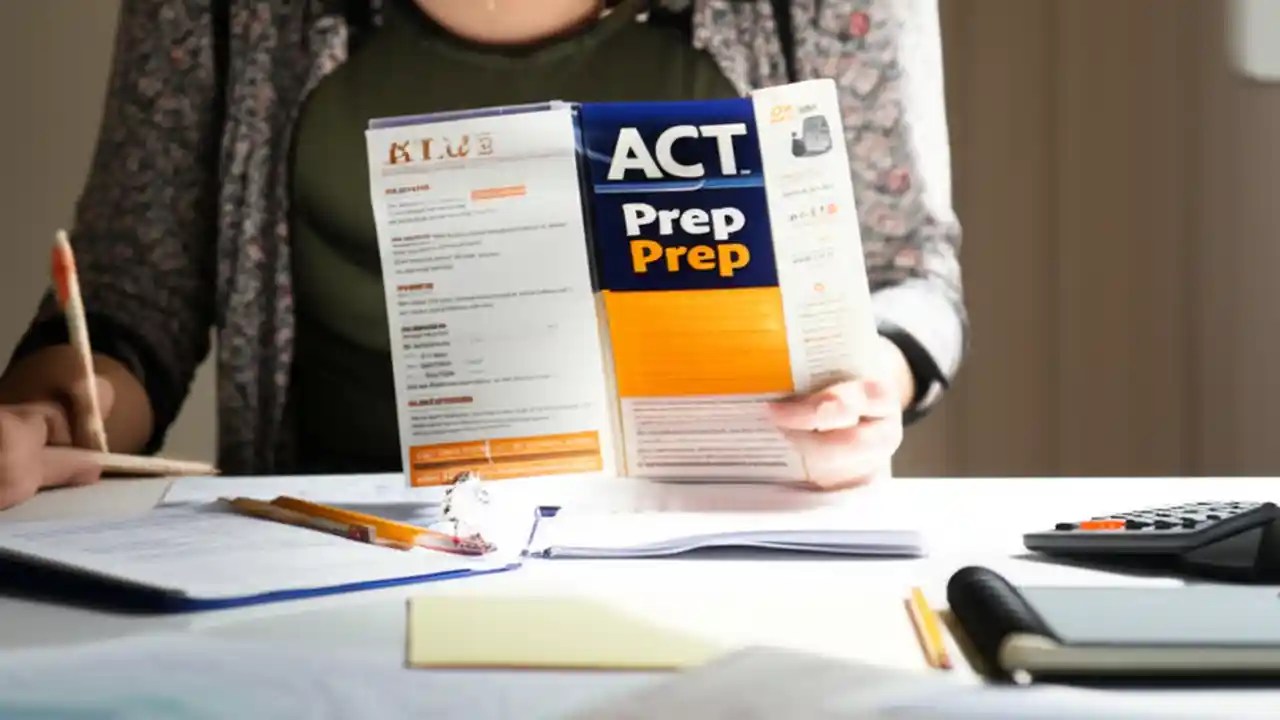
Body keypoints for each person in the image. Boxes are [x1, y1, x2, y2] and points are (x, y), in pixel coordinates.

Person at [0, 0, 966, 510]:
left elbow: (908, 276)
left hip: (720, 543)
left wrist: (867, 387)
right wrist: (45, 421)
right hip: (334, 558)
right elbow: (131, 300)